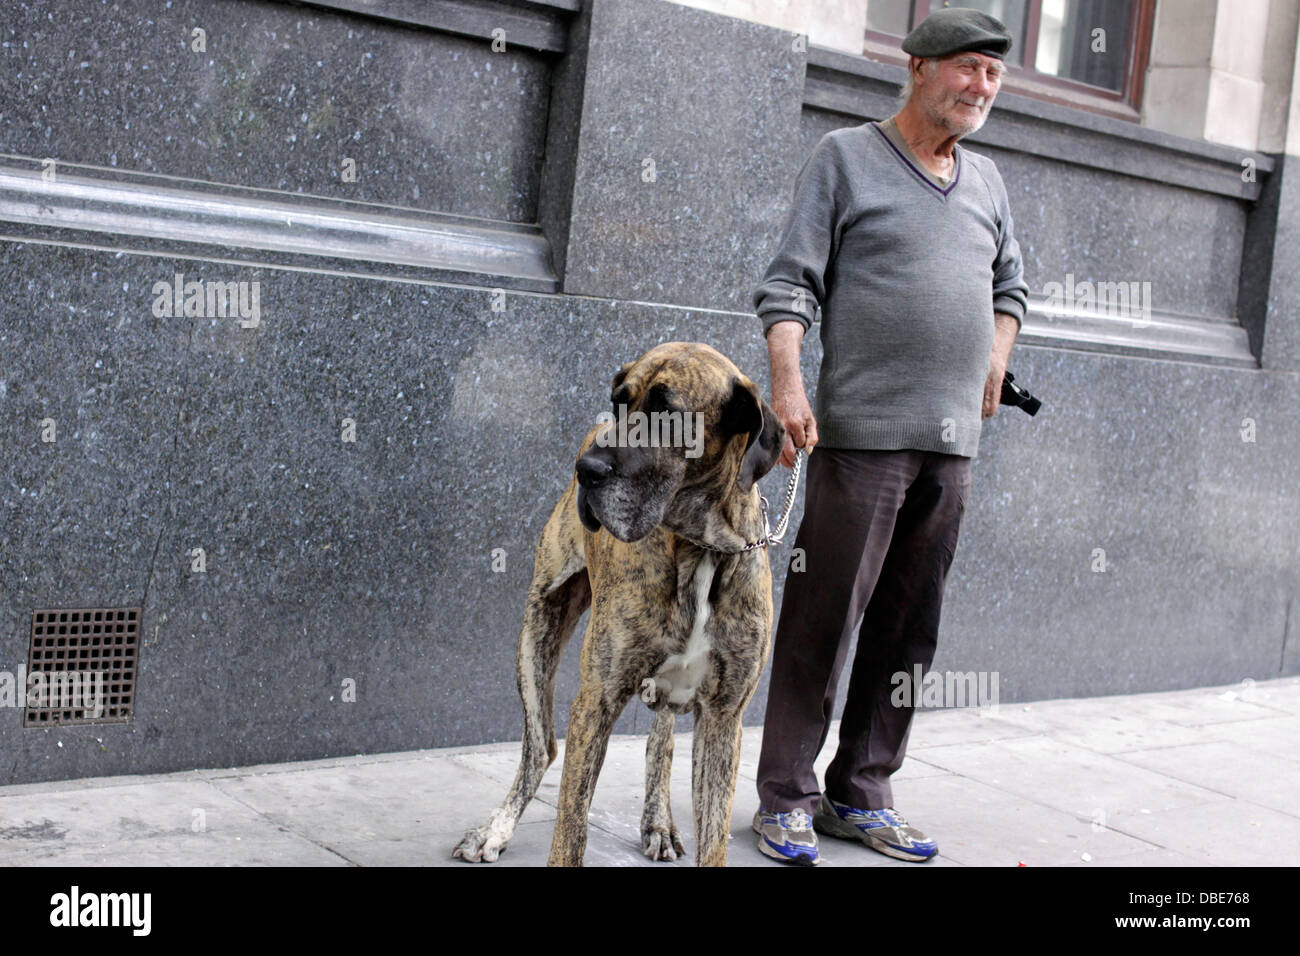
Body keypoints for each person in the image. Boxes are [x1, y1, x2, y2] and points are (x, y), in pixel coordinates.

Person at [749, 7, 1029, 865]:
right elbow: (787, 287)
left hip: (954, 448)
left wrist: (996, 356)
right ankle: (785, 798)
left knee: (909, 629)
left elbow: (1011, 287)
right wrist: (790, 390)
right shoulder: (845, 158)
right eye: (967, 69)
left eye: (992, 75)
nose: (980, 88)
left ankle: (862, 791)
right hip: (863, 438)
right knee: (822, 620)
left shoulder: (986, 182)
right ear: (917, 67)